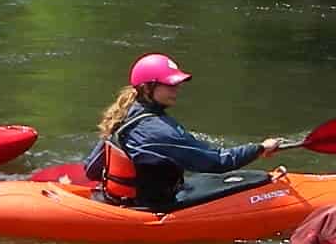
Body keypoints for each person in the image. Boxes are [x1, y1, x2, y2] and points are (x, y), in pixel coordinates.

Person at [82, 53, 285, 210]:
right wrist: (259, 148)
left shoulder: (123, 117)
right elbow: (218, 161)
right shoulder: (159, 131)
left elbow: (91, 169)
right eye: (170, 85)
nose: (176, 89)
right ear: (147, 88)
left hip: (117, 201)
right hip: (152, 207)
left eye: (177, 84)